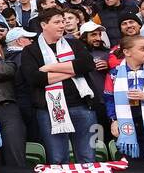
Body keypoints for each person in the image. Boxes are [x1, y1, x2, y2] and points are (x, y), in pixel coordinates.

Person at [19, 9, 103, 164]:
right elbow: (35, 78)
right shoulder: (31, 50)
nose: (62, 25)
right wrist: (72, 71)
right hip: (49, 110)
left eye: (63, 21)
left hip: (82, 106)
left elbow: (87, 64)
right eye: (57, 22)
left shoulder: (74, 43)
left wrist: (50, 67)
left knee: (88, 157)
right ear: (44, 25)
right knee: (57, 159)